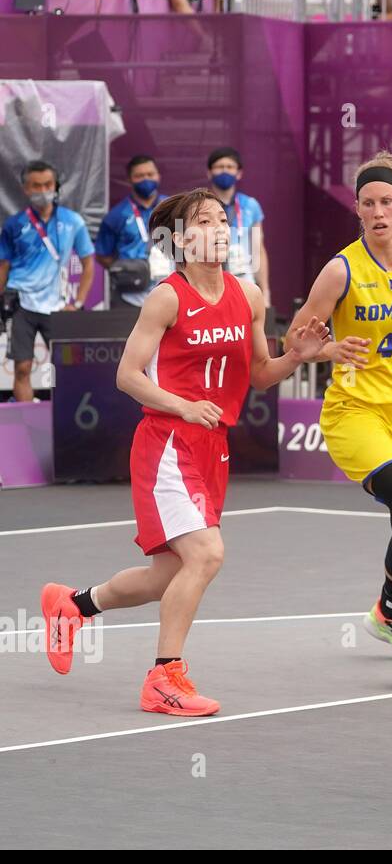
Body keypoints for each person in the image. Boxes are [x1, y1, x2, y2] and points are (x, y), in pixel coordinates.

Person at [39, 189, 330, 714]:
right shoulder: (167, 298)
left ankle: (72, 605)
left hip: (212, 448)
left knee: (168, 576)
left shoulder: (249, 296)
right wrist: (184, 405)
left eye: (223, 219)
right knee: (206, 554)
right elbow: (127, 377)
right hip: (167, 444)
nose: (218, 228)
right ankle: (163, 678)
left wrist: (298, 356)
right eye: (203, 221)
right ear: (178, 239)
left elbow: (261, 375)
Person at [285, 152, 392, 684]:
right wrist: (328, 349)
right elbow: (295, 340)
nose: (378, 211)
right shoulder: (341, 269)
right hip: (355, 410)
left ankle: (386, 608)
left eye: (387, 202)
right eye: (368, 203)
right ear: (358, 211)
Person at [0, 161, 94, 402]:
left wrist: (79, 302)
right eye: (36, 186)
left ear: (56, 186)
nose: (43, 190)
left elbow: (88, 264)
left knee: (68, 367)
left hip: (58, 308)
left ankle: (68, 419)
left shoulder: (73, 221)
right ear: (26, 189)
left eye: (48, 184)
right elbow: (3, 267)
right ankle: (27, 421)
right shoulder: (13, 225)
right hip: (22, 305)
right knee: (22, 368)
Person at [95, 155, 171, 309]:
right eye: (139, 176)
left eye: (150, 174)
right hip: (130, 297)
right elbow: (103, 255)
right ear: (129, 180)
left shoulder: (173, 207)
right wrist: (128, 269)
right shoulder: (117, 215)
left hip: (169, 291)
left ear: (158, 176)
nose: (146, 179)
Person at [206, 147, 270, 305]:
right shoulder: (199, 205)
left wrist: (265, 291)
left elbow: (258, 249)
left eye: (229, 167)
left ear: (239, 173)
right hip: (208, 281)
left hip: (243, 281)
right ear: (209, 173)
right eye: (219, 167)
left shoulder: (250, 205)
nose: (225, 171)